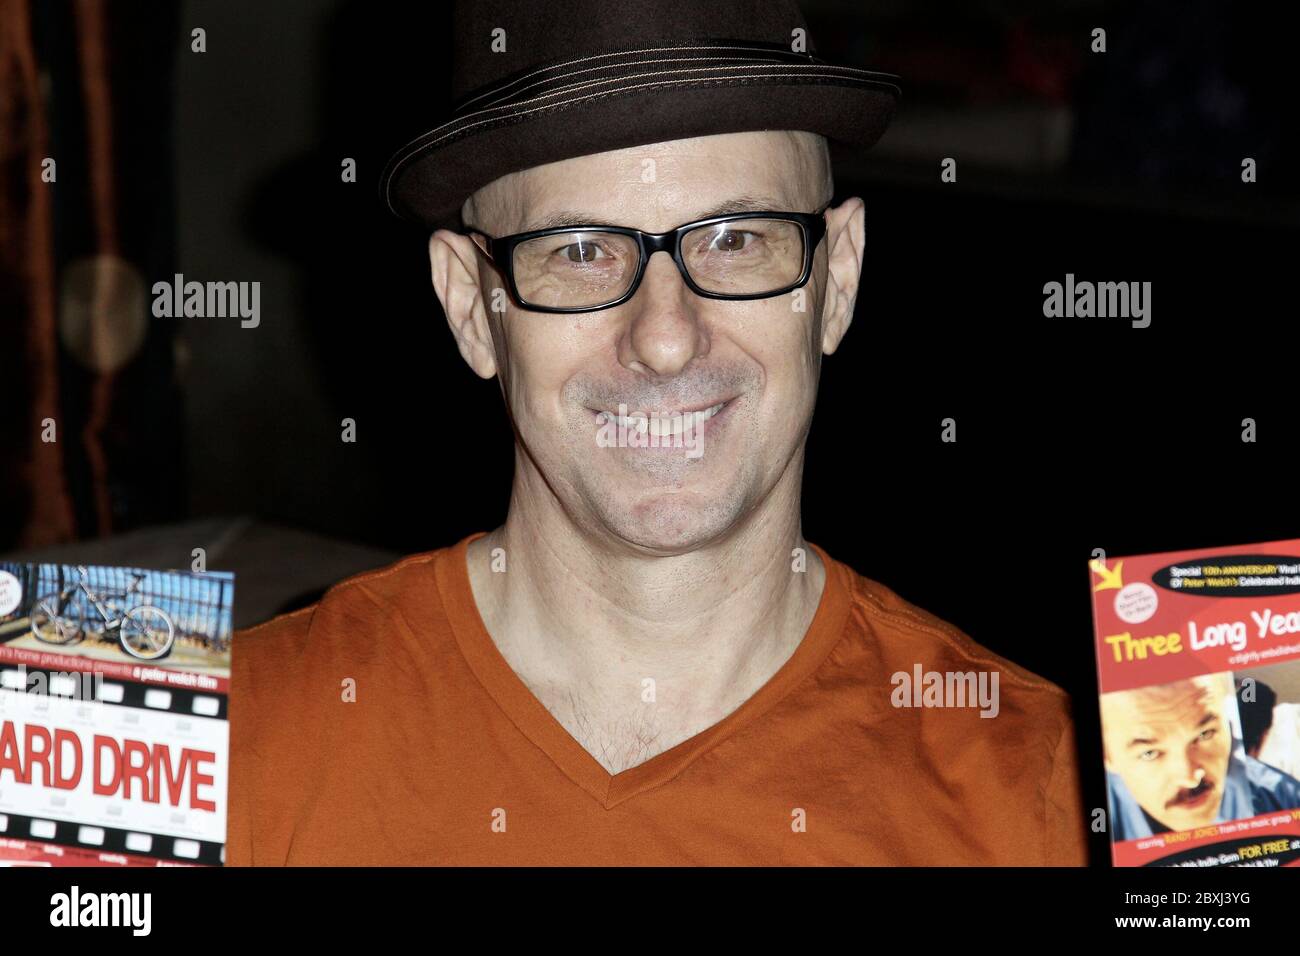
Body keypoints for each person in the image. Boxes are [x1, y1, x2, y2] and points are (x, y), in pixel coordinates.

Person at [227, 0, 1088, 866]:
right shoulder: (221, 741)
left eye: (736, 238)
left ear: (838, 279)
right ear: (470, 307)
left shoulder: (1038, 778)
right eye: (578, 252)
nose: (666, 336)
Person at [1102, 674, 1300, 841]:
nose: (1190, 776)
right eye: (1149, 753)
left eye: (1205, 734)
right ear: (1108, 756)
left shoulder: (1284, 798)